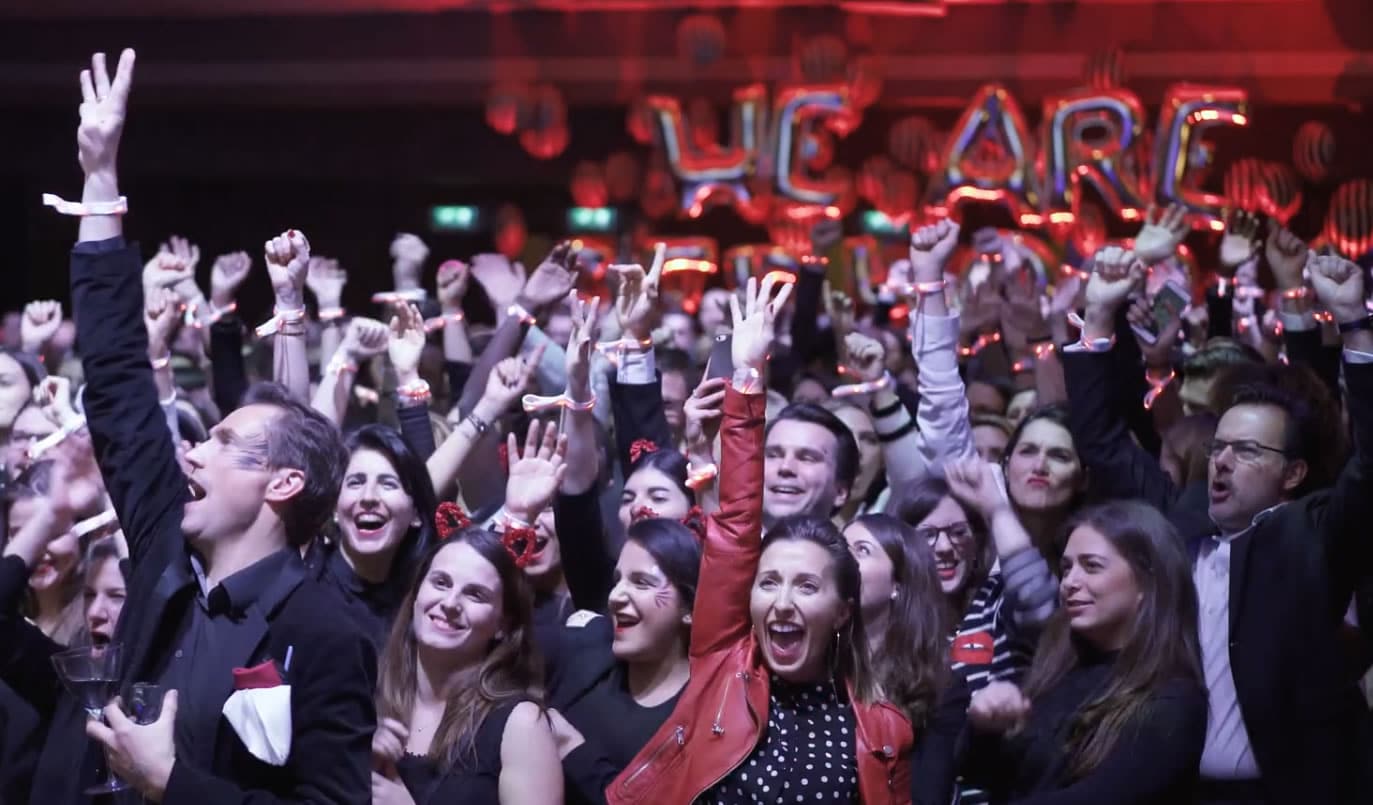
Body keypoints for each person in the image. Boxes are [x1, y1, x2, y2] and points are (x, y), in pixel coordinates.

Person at [66, 49, 376, 805]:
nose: (192, 450)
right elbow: (116, 384)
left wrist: (169, 782)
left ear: (284, 482)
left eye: (222, 442)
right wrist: (100, 178)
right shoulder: (163, 552)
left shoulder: (325, 630)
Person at [1061, 245, 1373, 804]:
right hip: (1176, 793)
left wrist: (1354, 323)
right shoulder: (1181, 522)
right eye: (1219, 447)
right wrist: (1100, 315)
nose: (1222, 462)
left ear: (1293, 473)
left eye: (1247, 450)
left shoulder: (1313, 536)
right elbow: (1102, 442)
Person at [609, 275, 914, 805]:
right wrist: (747, 377)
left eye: (807, 586)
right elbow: (735, 522)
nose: (783, 602)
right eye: (768, 582)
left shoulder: (885, 730)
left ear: (842, 611)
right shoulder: (722, 658)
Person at [961, 500, 1208, 804]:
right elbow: (982, 773)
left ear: (1148, 581)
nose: (1070, 582)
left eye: (1092, 566)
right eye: (1067, 568)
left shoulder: (1173, 701)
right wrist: (985, 728)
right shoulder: (1052, 671)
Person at [370, 526, 562, 805]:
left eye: (475, 595)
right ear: (416, 595)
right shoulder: (366, 692)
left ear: (503, 625)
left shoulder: (521, 725)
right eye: (441, 583)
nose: (450, 603)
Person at [842, 513, 968, 805]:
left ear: (898, 584)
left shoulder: (940, 687)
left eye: (861, 550)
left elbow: (926, 795)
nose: (842, 559)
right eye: (839, 547)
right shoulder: (814, 663)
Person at [309, 424, 438, 647]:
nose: (368, 497)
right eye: (355, 482)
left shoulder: (422, 604)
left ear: (416, 513)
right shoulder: (307, 588)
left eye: (388, 484)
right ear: (335, 507)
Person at [1001, 404, 1087, 559]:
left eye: (1059, 456)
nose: (1039, 467)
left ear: (1083, 479)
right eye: (1028, 452)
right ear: (1006, 467)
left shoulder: (1096, 551)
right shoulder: (973, 545)